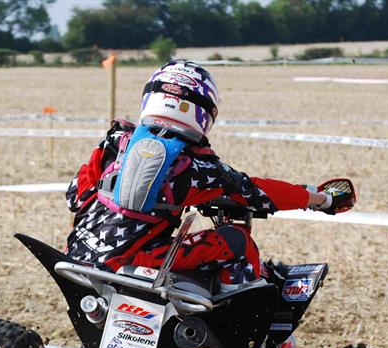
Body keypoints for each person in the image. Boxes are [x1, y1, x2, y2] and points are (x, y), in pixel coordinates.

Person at [64, 60, 354, 285]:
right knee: (239, 241)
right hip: (137, 261)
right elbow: (256, 193)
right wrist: (319, 199)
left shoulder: (116, 141)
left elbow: (74, 197)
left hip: (76, 255)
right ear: (202, 110)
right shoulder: (197, 167)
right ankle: (238, 332)